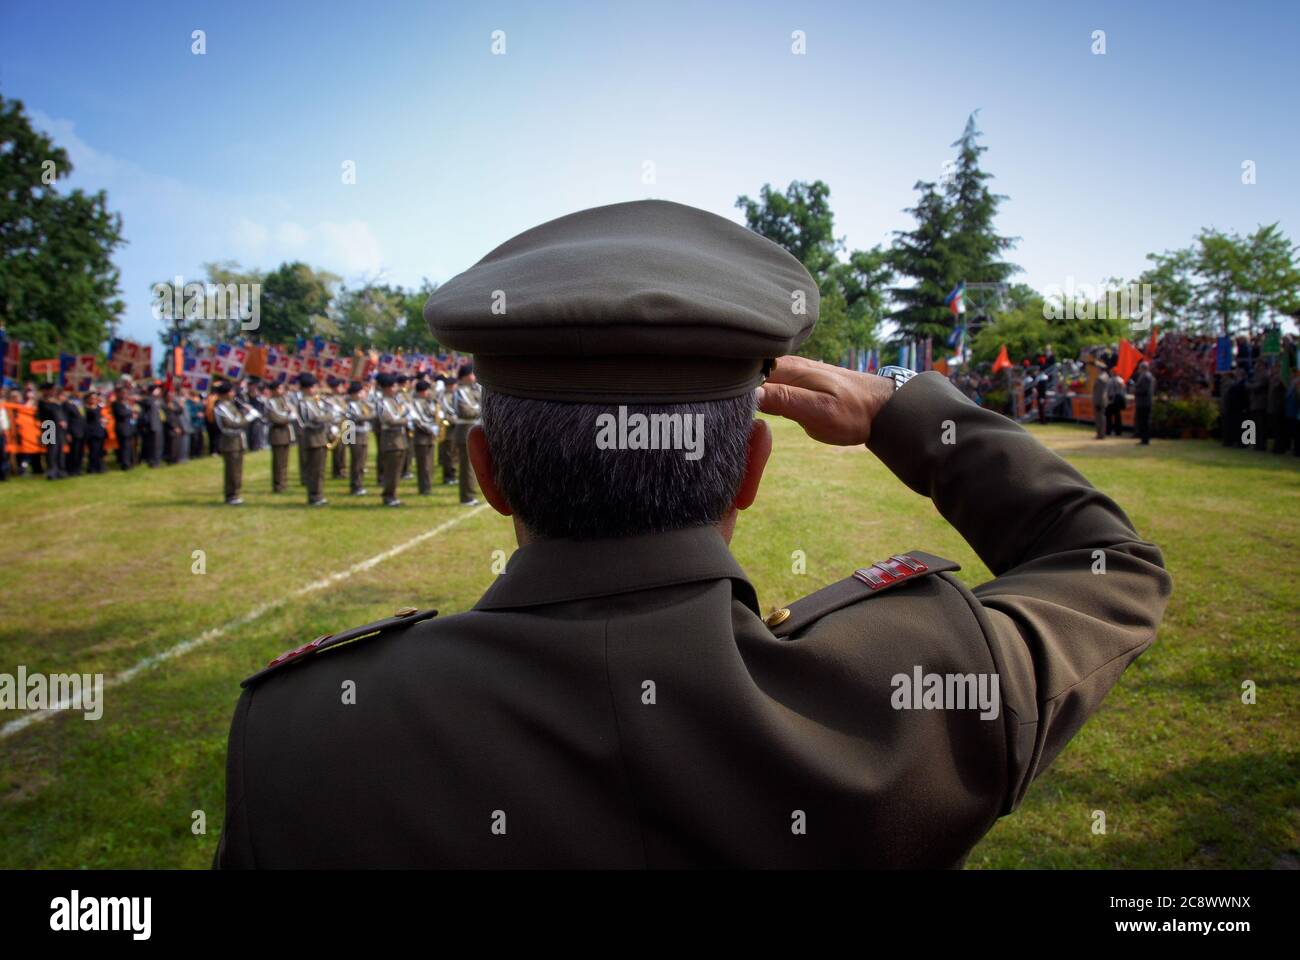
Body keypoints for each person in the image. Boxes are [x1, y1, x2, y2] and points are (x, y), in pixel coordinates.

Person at [215, 199, 1172, 869]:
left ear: (487, 473)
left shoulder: (303, 740)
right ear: (751, 469)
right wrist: (907, 415)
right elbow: (1112, 567)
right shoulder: (921, 691)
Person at [213, 381, 249, 505]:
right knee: (231, 470)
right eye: (231, 391)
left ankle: (236, 493)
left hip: (238, 440)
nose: (233, 393)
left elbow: (238, 418)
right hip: (229, 441)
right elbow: (230, 423)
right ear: (225, 393)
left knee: (238, 470)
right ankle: (230, 495)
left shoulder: (231, 405)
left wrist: (245, 414)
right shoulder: (221, 407)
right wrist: (247, 419)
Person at [296, 373, 330, 506]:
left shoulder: (315, 401)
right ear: (306, 388)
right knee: (314, 469)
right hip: (312, 437)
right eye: (313, 386)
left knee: (320, 469)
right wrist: (329, 416)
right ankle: (314, 495)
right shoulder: (305, 402)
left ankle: (318, 494)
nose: (315, 389)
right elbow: (315, 418)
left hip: (320, 436)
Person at [452, 364, 482, 506]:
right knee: (467, 467)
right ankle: (467, 497)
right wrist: (481, 410)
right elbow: (466, 411)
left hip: (473, 429)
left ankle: (471, 493)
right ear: (465, 376)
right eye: (471, 374)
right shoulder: (460, 391)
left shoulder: (473, 390)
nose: (474, 377)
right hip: (465, 431)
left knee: (473, 465)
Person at [375, 373, 407, 507]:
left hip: (399, 438)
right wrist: (406, 420)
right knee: (391, 471)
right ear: (387, 387)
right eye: (393, 386)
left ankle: (392, 495)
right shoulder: (382, 402)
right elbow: (389, 420)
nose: (396, 388)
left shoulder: (395, 401)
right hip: (390, 439)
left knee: (397, 471)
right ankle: (388, 496)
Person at [265, 380, 297, 493]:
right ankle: (278, 485)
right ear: (273, 390)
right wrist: (289, 416)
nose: (282, 391)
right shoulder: (271, 402)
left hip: (286, 433)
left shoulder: (284, 400)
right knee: (278, 462)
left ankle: (283, 483)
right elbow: (275, 418)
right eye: (279, 388)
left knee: (284, 461)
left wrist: (290, 412)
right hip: (277, 434)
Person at [411, 379, 441, 495]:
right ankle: (424, 488)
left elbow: (433, 415)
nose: (429, 392)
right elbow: (417, 421)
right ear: (423, 391)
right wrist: (431, 429)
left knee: (429, 464)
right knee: (423, 466)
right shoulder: (414, 403)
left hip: (430, 438)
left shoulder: (429, 402)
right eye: (427, 390)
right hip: (421, 438)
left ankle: (428, 486)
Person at [344, 380, 374, 496]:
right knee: (357, 462)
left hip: (363, 434)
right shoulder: (350, 404)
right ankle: (355, 486)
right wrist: (371, 416)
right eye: (361, 391)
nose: (364, 394)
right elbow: (358, 418)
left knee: (362, 462)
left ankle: (359, 484)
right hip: (354, 434)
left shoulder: (362, 403)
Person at [36, 382, 66, 479]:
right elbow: (49, 412)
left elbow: (60, 412)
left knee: (59, 449)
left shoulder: (54, 401)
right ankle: (51, 471)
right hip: (48, 426)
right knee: (51, 450)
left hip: (58, 428)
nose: (53, 392)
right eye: (51, 390)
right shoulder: (42, 402)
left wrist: (62, 420)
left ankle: (60, 470)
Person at [437, 374, 458, 485]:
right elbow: (445, 413)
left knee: (454, 453)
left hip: (455, 428)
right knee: (448, 454)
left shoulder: (453, 395)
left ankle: (452, 475)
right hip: (448, 428)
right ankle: (448, 477)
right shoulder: (444, 397)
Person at [1132, 361, 1155, 445]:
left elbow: (1144, 390)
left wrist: (1135, 390)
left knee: (1144, 421)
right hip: (1144, 402)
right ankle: (1143, 439)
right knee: (1142, 421)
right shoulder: (1146, 376)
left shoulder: (1146, 377)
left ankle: (1145, 439)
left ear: (1143, 368)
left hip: (1144, 403)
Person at [85, 392, 107, 474]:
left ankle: (99, 467)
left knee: (100, 451)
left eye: (95, 398)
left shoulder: (99, 407)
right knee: (93, 451)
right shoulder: (86, 408)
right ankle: (92, 468)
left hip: (100, 431)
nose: (94, 400)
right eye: (92, 398)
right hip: (92, 432)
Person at [1091, 362, 1109, 439]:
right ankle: (1100, 433)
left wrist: (1098, 402)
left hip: (1100, 401)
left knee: (1100, 418)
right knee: (1099, 417)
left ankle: (1101, 433)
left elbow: (1100, 392)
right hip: (1099, 400)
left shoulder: (1101, 378)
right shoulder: (1102, 377)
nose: (1096, 369)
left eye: (1097, 368)